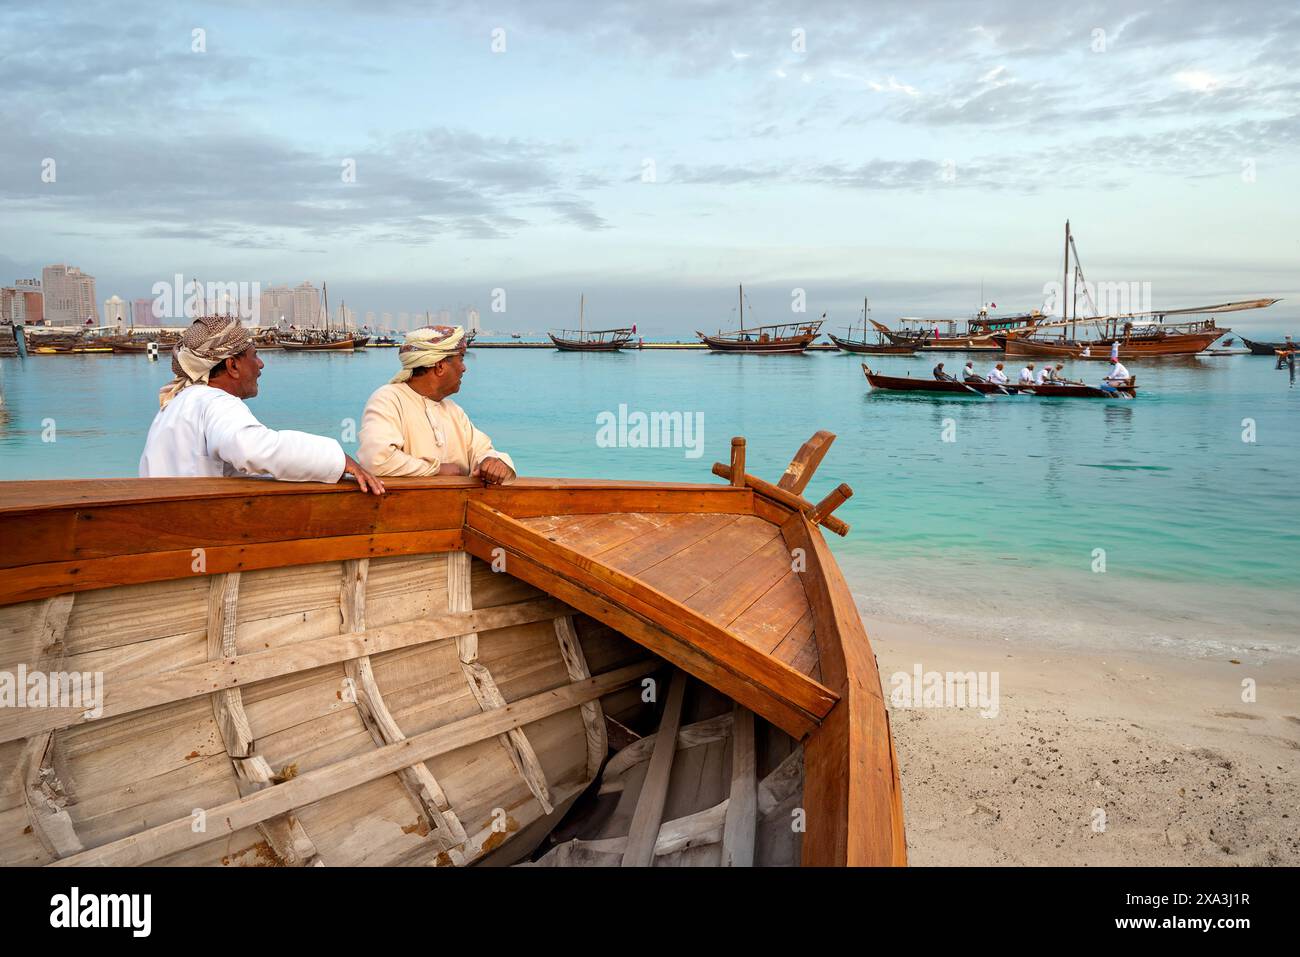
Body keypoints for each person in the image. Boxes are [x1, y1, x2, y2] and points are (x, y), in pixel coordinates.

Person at [140, 315, 384, 493]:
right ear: (232, 366)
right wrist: (339, 460)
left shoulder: (176, 403)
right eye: (254, 356)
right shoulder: (215, 402)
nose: (260, 365)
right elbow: (254, 449)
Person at [358, 325, 515, 484]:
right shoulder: (388, 399)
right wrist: (437, 469)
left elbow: (482, 450)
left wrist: (493, 463)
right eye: (461, 358)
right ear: (440, 366)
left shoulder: (453, 411)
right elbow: (375, 461)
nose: (464, 368)